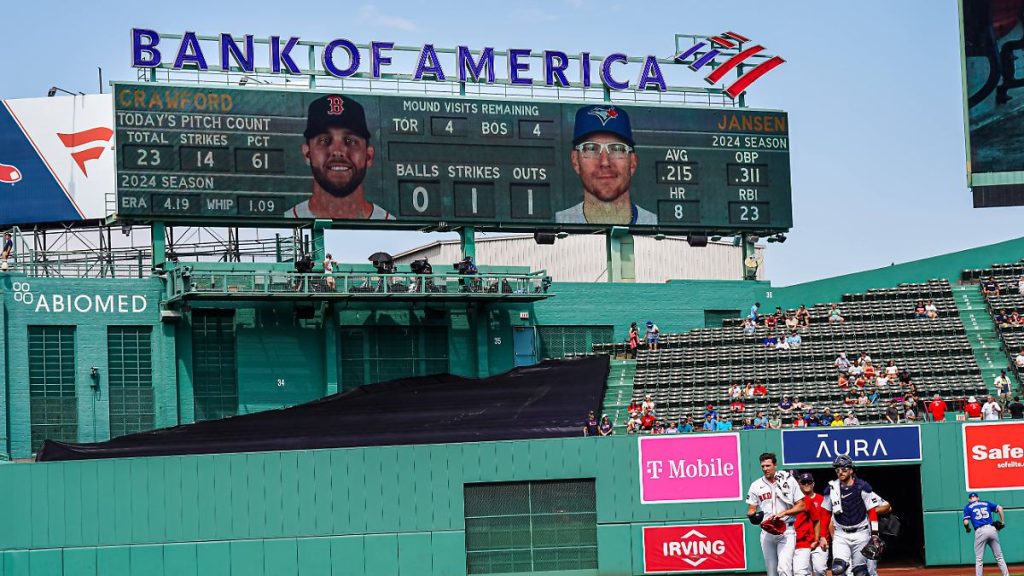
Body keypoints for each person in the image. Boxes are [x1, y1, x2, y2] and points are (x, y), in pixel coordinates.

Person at [287, 94, 394, 219]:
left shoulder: (393, 224)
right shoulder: (285, 220)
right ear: (307, 153)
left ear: (368, 156)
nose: (337, 151)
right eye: (324, 140)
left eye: (350, 141)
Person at [555, 104, 656, 225]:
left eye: (617, 148)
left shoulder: (656, 226)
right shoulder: (556, 227)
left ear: (633, 162)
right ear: (575, 161)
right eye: (591, 148)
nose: (604, 162)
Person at [822, 455, 885, 576]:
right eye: (837, 470)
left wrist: (875, 535)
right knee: (838, 569)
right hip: (841, 534)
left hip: (861, 533)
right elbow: (825, 514)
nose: (840, 472)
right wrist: (823, 536)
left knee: (860, 572)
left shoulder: (863, 487)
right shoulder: (831, 489)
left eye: (844, 469)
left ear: (851, 470)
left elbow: (871, 511)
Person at [746, 452, 806, 576]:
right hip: (767, 532)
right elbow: (752, 507)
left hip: (786, 531)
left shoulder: (788, 482)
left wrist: (785, 512)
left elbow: (802, 505)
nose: (765, 469)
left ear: (775, 465)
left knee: (784, 570)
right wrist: (752, 514)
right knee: (772, 572)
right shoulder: (756, 485)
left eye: (768, 465)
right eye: (763, 466)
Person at [963, 492, 1009, 576]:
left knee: (979, 559)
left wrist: (968, 529)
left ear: (969, 500)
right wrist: (1002, 522)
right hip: (992, 529)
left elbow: (966, 523)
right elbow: (1000, 508)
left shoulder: (968, 507)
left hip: (980, 531)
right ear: (978, 498)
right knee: (999, 557)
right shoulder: (986, 503)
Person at [793, 472, 829, 576]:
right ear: (799, 484)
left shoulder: (822, 499)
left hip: (819, 542)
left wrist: (824, 538)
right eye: (803, 482)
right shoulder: (794, 502)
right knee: (804, 572)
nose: (806, 484)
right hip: (803, 542)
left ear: (813, 483)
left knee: (820, 570)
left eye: (809, 482)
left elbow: (827, 521)